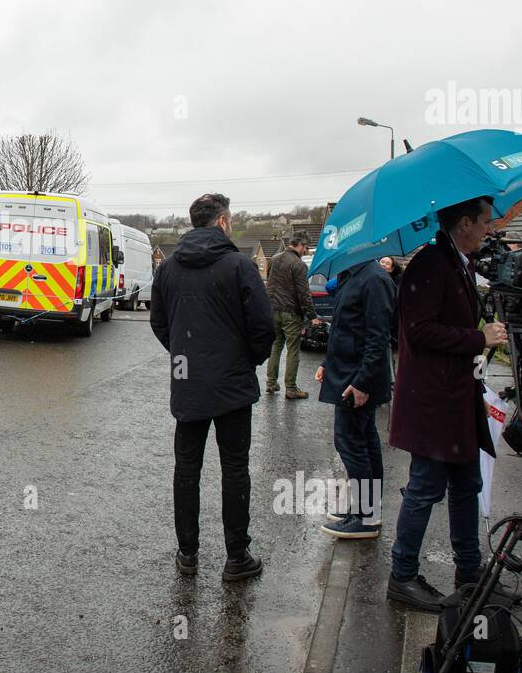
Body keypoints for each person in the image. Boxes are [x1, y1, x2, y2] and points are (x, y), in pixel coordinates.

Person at [386, 196, 512, 611]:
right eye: (485, 222)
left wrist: (480, 330)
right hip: (433, 400)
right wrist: (479, 338)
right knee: (424, 488)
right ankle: (402, 577)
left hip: (456, 396)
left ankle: (470, 573)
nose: (489, 229)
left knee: (465, 485)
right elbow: (419, 331)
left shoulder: (458, 261)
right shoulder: (431, 264)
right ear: (463, 223)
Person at [150, 193, 275, 581]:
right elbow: (263, 327)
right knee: (234, 467)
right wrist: (245, 359)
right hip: (232, 384)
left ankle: (188, 554)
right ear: (222, 222)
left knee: (187, 467)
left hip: (188, 382)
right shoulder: (239, 265)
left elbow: (159, 322)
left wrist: (186, 353)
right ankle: (236, 557)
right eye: (231, 219)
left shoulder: (169, 267)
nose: (233, 225)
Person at [314, 258, 396, 539]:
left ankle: (365, 516)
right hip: (347, 373)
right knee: (362, 440)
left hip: (356, 379)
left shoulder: (374, 279)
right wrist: (327, 362)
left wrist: (363, 382)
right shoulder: (354, 276)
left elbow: (378, 337)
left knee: (350, 442)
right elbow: (343, 329)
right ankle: (367, 510)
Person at [265, 233, 322, 399]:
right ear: (300, 245)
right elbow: (304, 294)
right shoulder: (299, 265)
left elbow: (270, 284)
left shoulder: (274, 259)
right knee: (293, 350)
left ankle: (271, 383)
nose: (306, 251)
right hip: (291, 312)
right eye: (306, 248)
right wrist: (312, 316)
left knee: (276, 346)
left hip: (273, 310)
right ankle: (290, 388)